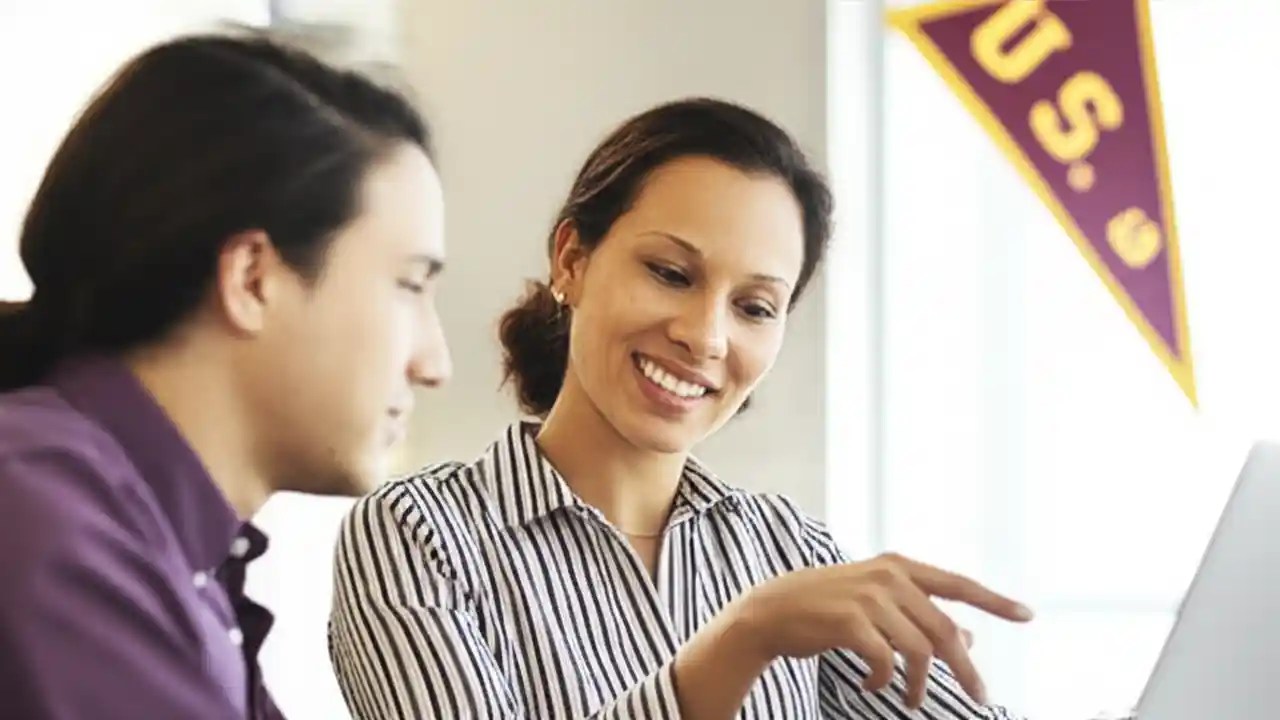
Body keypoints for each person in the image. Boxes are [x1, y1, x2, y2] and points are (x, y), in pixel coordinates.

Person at [328, 98, 1032, 719]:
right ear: (572, 260)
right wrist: (744, 639)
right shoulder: (418, 537)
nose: (706, 336)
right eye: (670, 274)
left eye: (754, 307)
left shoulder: (787, 550)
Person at [0, 30, 451, 720]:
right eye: (409, 285)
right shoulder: (54, 526)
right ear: (252, 278)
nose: (433, 364)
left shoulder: (172, 554)